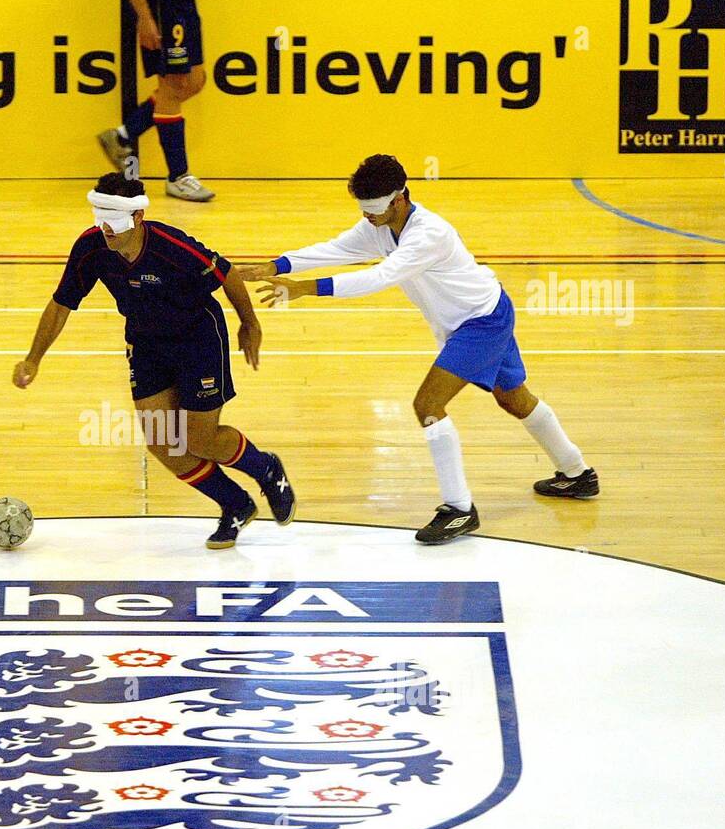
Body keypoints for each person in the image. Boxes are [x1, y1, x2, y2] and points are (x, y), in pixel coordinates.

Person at [238, 154, 598, 545]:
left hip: (481, 322)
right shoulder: (379, 224)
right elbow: (337, 248)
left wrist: (307, 289)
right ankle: (577, 473)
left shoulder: (429, 234)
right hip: (481, 312)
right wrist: (276, 266)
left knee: (427, 406)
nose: (368, 217)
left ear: (400, 199)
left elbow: (379, 277)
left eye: (374, 209)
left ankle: (459, 509)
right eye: (363, 209)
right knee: (513, 399)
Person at [13, 173, 294, 547]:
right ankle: (235, 504)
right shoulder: (92, 247)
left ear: (138, 219)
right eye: (101, 220)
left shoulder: (172, 247)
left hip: (198, 339)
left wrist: (250, 323)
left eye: (113, 222)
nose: (106, 231)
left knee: (200, 439)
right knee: (163, 443)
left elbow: (226, 274)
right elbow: (61, 303)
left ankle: (266, 468)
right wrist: (33, 359)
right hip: (146, 344)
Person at [97, 0, 215, 202]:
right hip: (163, 6)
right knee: (173, 85)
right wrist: (145, 18)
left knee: (194, 81)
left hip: (184, 1)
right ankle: (178, 176)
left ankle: (122, 136)